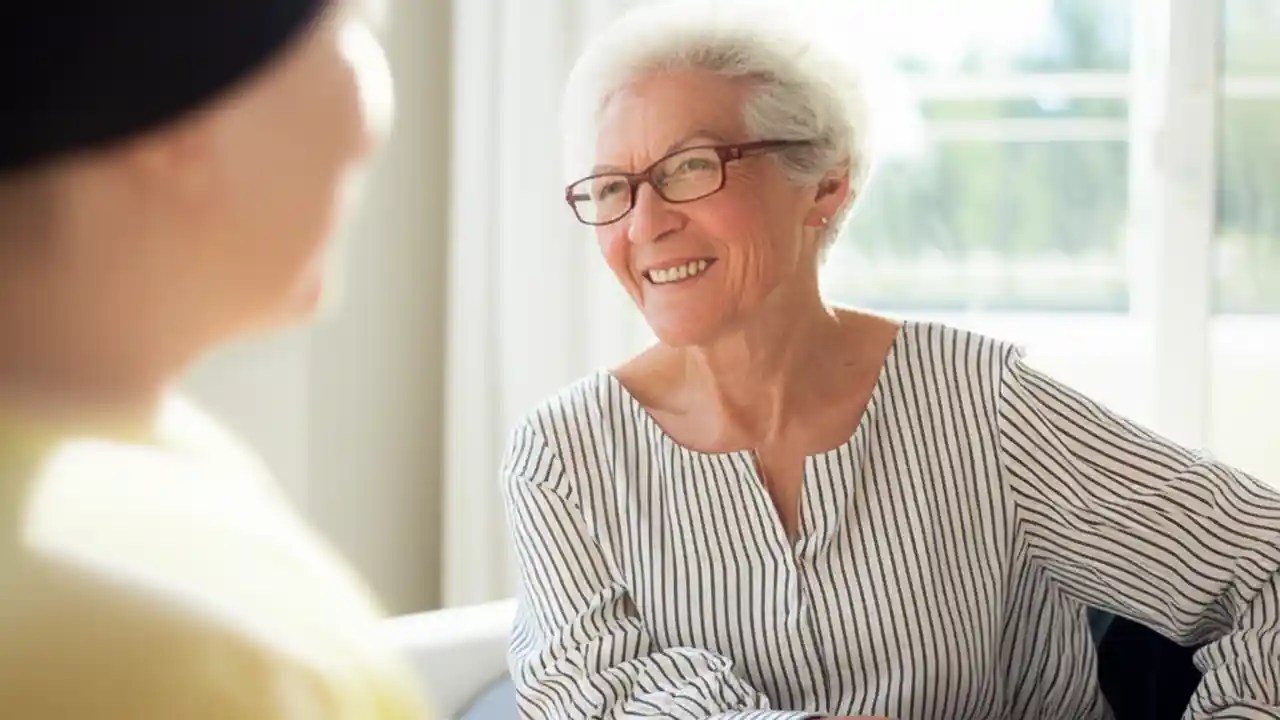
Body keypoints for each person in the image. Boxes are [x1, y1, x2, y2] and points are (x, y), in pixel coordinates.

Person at [501, 2, 1280, 718]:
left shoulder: (982, 403)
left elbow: (1264, 567)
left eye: (691, 168)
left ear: (826, 185)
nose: (643, 223)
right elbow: (590, 699)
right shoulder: (564, 456)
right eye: (613, 187)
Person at [0, 2, 428, 717]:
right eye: (354, 25)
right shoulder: (196, 655)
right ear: (174, 100)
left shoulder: (155, 455)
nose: (374, 121)